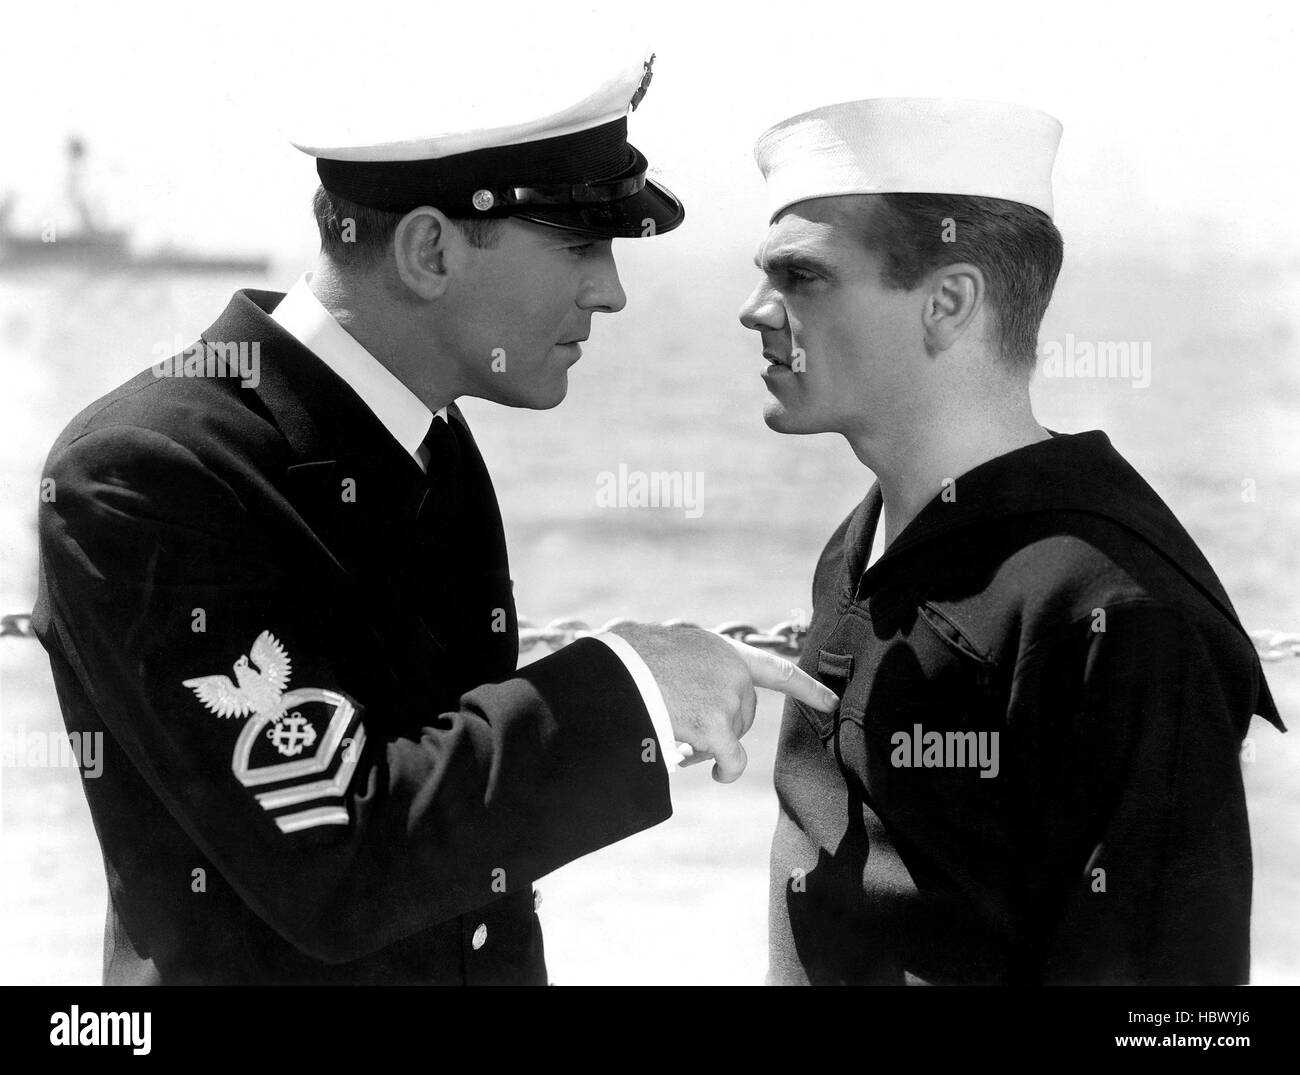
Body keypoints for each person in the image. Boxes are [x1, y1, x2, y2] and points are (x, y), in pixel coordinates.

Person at [31, 52, 837, 986]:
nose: (610, 290)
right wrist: (635, 685)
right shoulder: (147, 473)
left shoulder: (425, 437)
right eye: (580, 245)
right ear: (429, 250)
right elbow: (340, 862)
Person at [739, 97, 1286, 985]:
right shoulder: (868, 538)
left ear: (948, 302)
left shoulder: (1116, 609)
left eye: (802, 277)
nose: (754, 310)